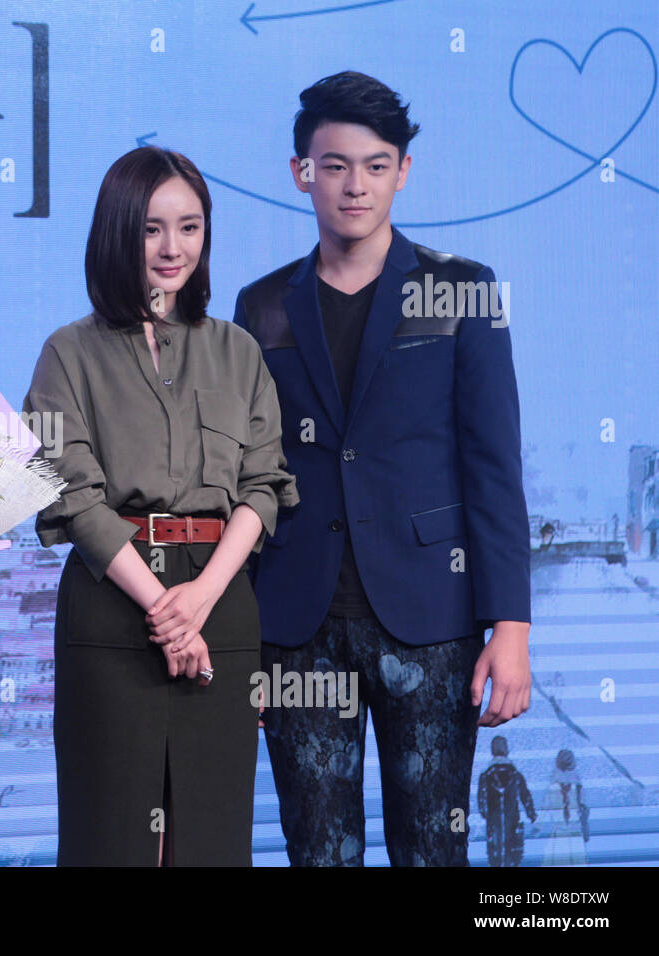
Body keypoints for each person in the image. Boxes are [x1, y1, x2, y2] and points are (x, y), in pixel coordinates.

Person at [233, 71, 532, 866]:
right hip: (297, 628)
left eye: (374, 164)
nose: (354, 185)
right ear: (302, 172)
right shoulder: (260, 307)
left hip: (433, 617)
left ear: (403, 170)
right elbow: (248, 474)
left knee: (434, 849)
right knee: (318, 850)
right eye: (334, 166)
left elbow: (495, 468)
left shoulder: (462, 291)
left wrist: (513, 628)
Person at [24, 146, 297, 866]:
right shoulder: (68, 353)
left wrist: (201, 600)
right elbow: (71, 495)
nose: (173, 248)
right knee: (109, 833)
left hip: (222, 606)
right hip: (113, 608)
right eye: (151, 228)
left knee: (211, 837)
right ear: (117, 231)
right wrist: (164, 612)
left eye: (190, 226)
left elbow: (263, 487)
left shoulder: (238, 350)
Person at [476, 736, 536, 867]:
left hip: (493, 820)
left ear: (492, 751)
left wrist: (485, 814)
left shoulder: (485, 776)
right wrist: (532, 815)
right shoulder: (516, 775)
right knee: (513, 853)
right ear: (507, 750)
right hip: (512, 819)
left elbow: (481, 801)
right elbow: (525, 795)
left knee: (495, 852)